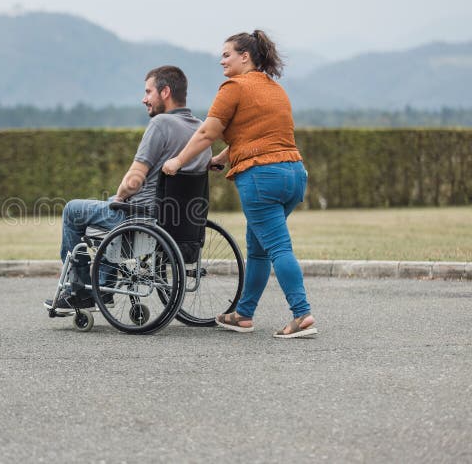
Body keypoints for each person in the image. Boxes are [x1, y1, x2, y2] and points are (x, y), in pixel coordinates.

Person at [162, 30, 317, 338]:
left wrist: (177, 161)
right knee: (258, 249)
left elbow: (207, 132)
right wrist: (222, 157)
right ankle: (243, 315)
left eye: (226, 54)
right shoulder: (275, 89)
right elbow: (259, 137)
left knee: (277, 247)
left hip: (262, 178)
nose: (221, 60)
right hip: (294, 175)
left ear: (245, 56)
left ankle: (302, 315)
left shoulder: (233, 88)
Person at [45, 65, 212, 312]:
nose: (144, 99)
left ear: (165, 92)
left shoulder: (161, 124)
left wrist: (120, 197)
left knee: (74, 210)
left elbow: (134, 180)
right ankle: (103, 284)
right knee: (111, 209)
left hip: (142, 217)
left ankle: (79, 291)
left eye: (148, 92)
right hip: (180, 222)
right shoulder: (200, 129)